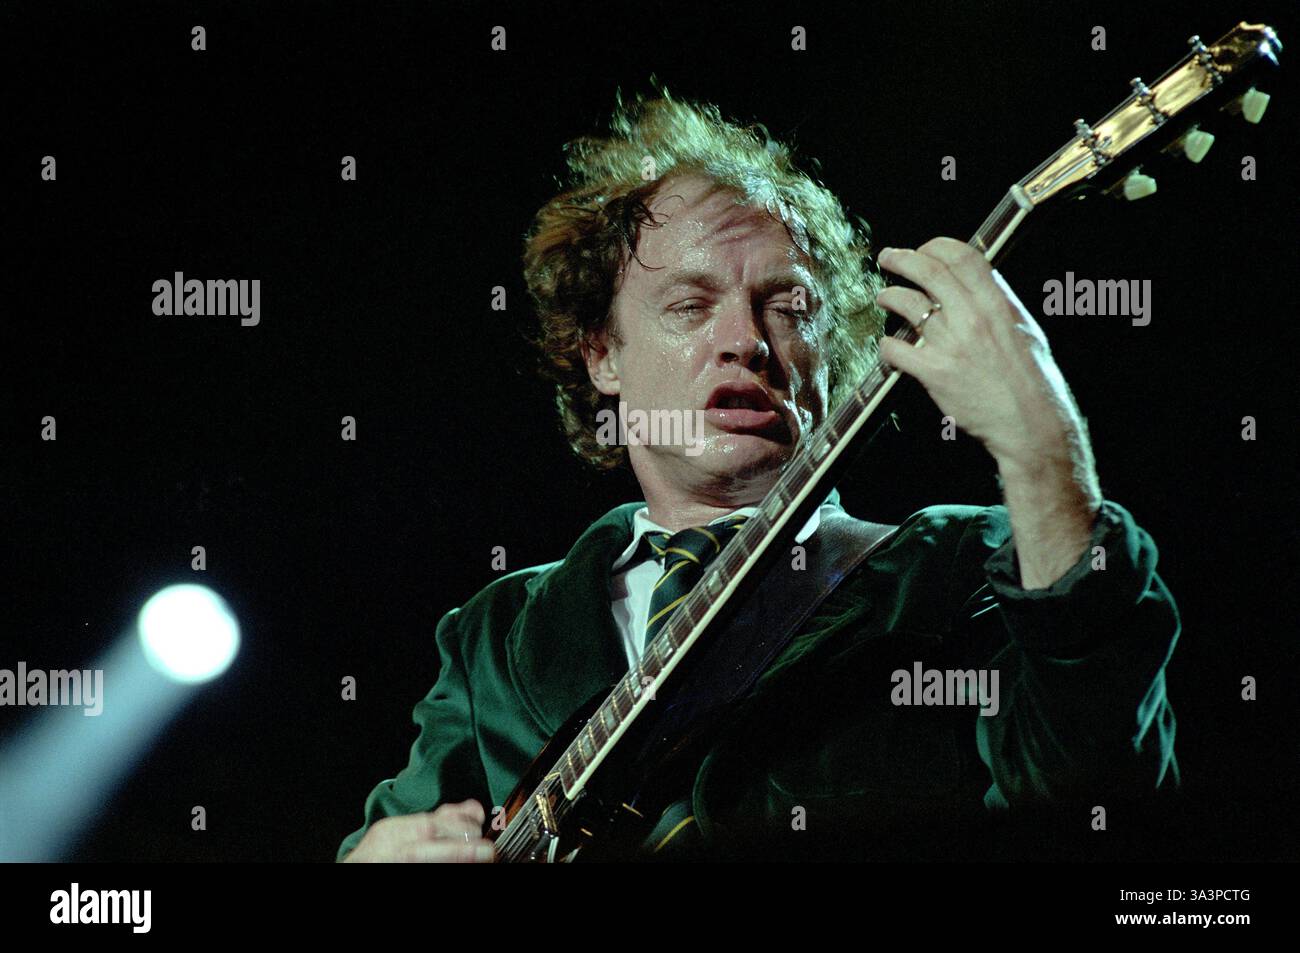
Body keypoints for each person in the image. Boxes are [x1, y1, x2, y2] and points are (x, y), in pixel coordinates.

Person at [337, 89, 1180, 863]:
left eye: (789, 306)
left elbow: (1099, 803)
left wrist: (1042, 448)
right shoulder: (497, 634)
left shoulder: (962, 569)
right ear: (602, 354)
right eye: (689, 304)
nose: (743, 338)